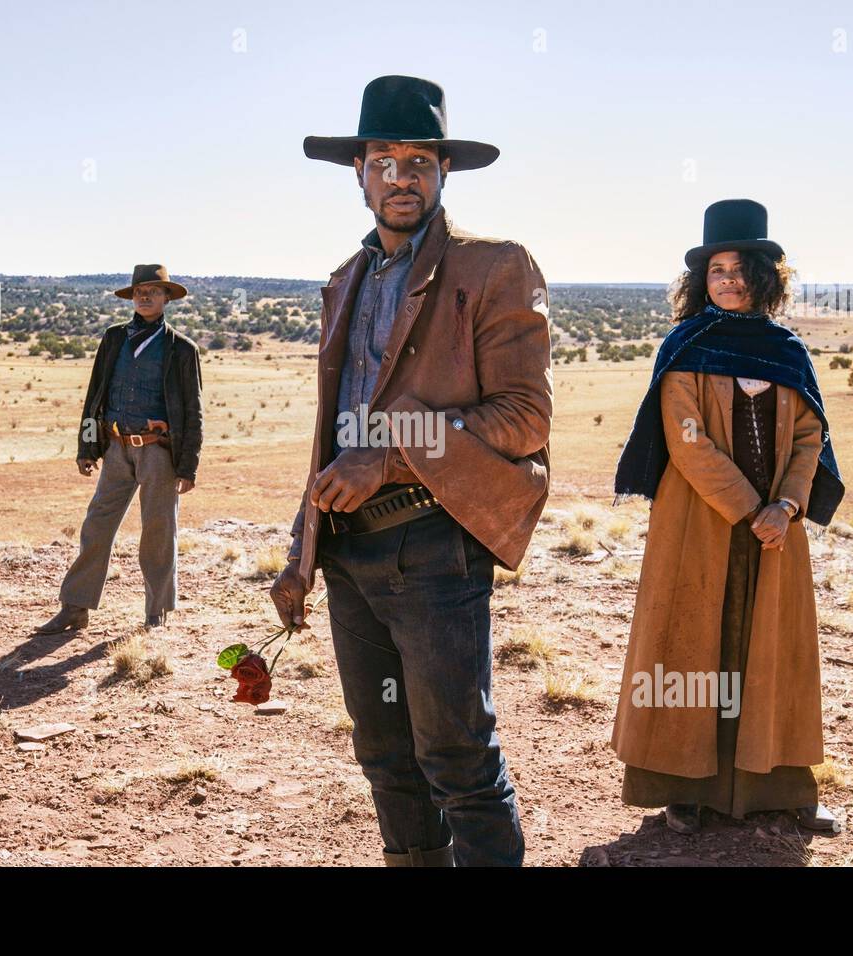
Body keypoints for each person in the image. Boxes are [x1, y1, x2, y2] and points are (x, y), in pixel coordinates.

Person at [270, 75, 553, 866]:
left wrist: (390, 457)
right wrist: (303, 549)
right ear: (358, 172)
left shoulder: (493, 266)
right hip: (350, 554)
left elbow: (525, 419)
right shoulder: (344, 282)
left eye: (420, 161)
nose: (402, 177)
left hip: (434, 545)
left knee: (458, 759)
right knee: (385, 759)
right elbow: (335, 433)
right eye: (385, 160)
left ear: (443, 174)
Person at [610, 199, 846, 836]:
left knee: (776, 653)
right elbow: (686, 441)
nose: (729, 280)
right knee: (689, 647)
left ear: (766, 277)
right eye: (717, 269)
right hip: (699, 527)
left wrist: (788, 505)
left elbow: (808, 437)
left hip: (775, 531)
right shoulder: (685, 348)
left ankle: (784, 790)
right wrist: (751, 510)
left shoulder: (787, 353)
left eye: (743, 269)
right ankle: (683, 788)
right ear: (700, 280)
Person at [35, 264, 203, 634]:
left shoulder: (181, 349)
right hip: (115, 447)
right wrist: (86, 445)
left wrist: (188, 466)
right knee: (97, 524)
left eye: (153, 291)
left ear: (166, 299)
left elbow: (194, 411)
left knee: (158, 532)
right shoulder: (113, 340)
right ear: (132, 296)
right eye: (139, 290)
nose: (145, 296)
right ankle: (75, 607)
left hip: (158, 451)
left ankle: (156, 613)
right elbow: (96, 394)